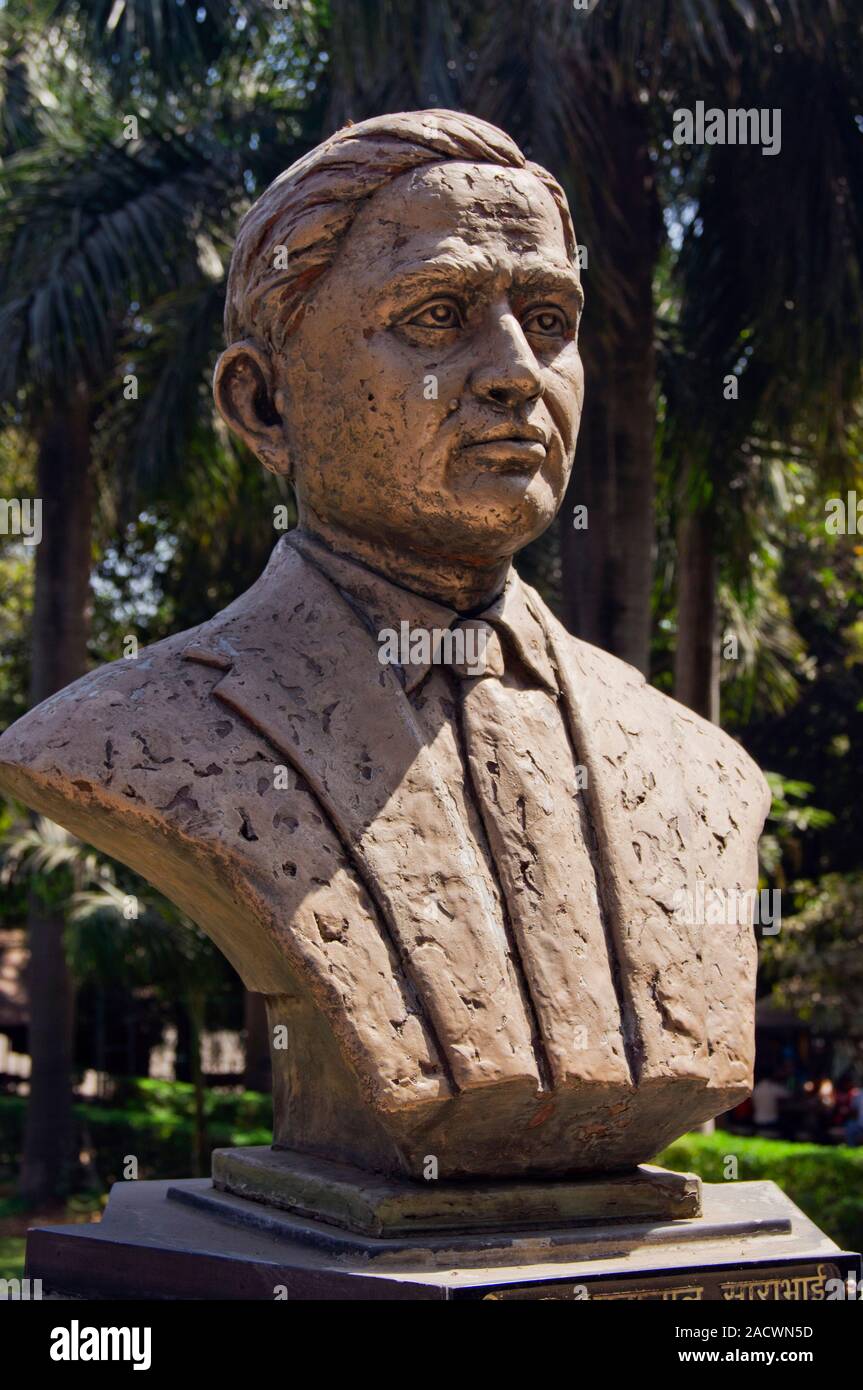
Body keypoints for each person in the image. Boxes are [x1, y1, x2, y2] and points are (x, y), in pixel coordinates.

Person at [0, 110, 771, 1180]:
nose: (514, 371)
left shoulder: (695, 769)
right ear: (263, 403)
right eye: (437, 315)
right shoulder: (127, 738)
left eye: (547, 318)